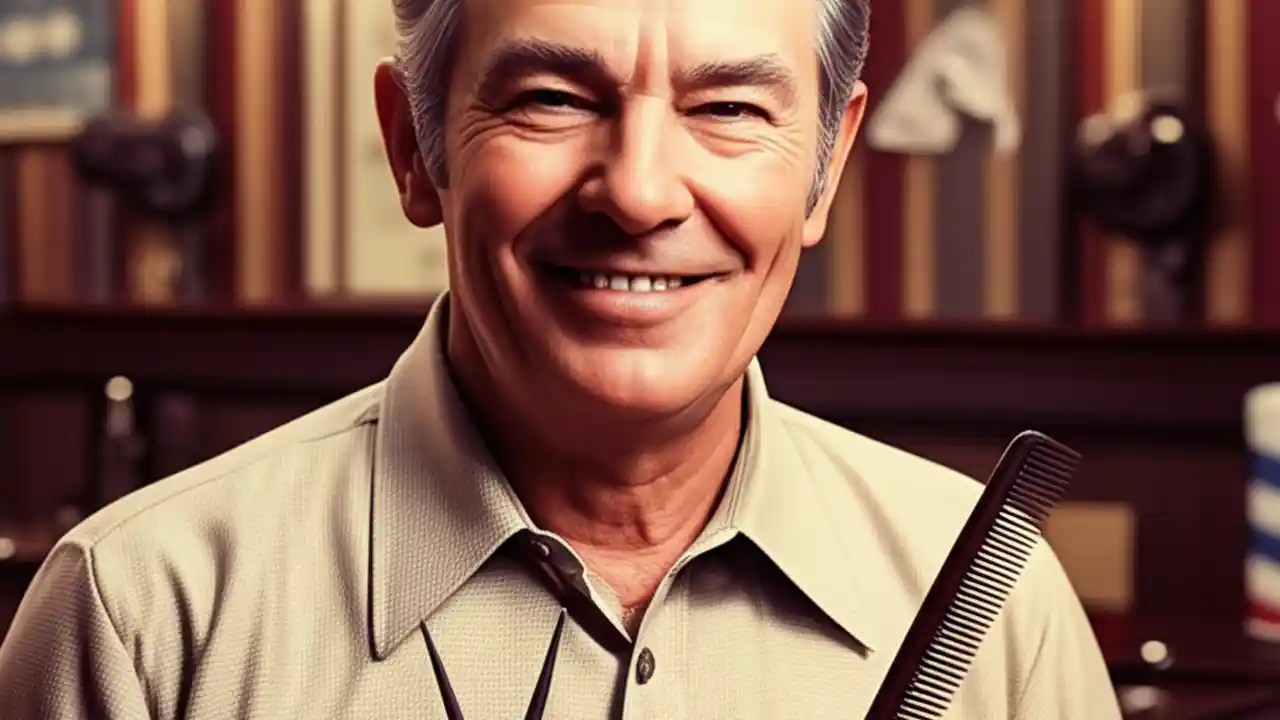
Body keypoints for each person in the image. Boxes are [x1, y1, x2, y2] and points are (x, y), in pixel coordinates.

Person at [0, 0, 1122, 717]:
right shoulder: (140, 618)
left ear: (824, 168)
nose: (637, 191)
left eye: (727, 107)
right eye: (549, 100)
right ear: (415, 150)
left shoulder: (995, 600)